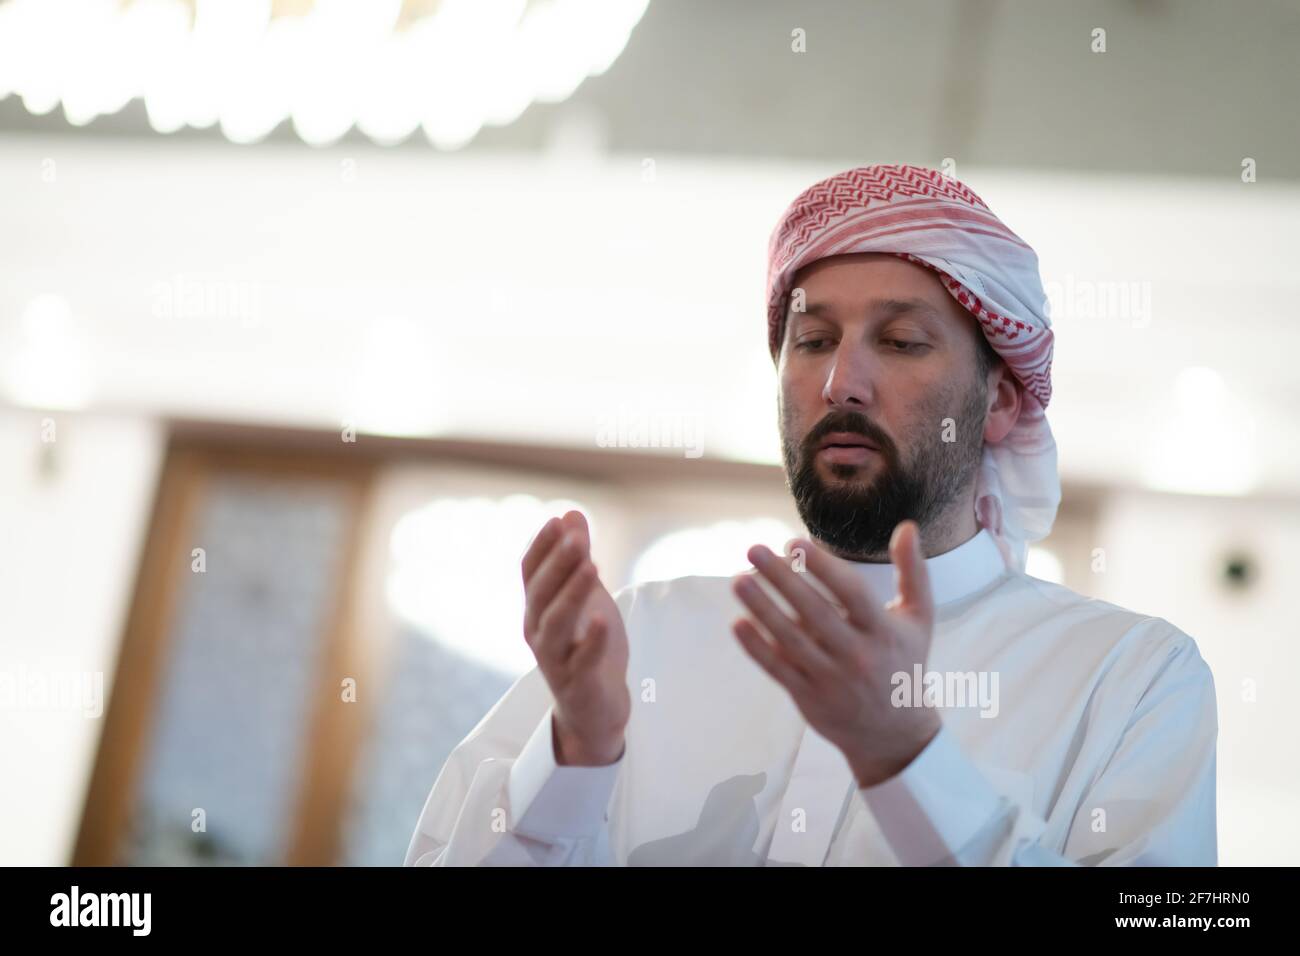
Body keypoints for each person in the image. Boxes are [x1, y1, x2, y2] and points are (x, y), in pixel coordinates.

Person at [403, 164, 1217, 866]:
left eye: (901, 341)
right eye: (815, 340)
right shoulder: (642, 636)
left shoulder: (1129, 678)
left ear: (1000, 401)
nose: (840, 384)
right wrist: (576, 755)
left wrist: (909, 762)